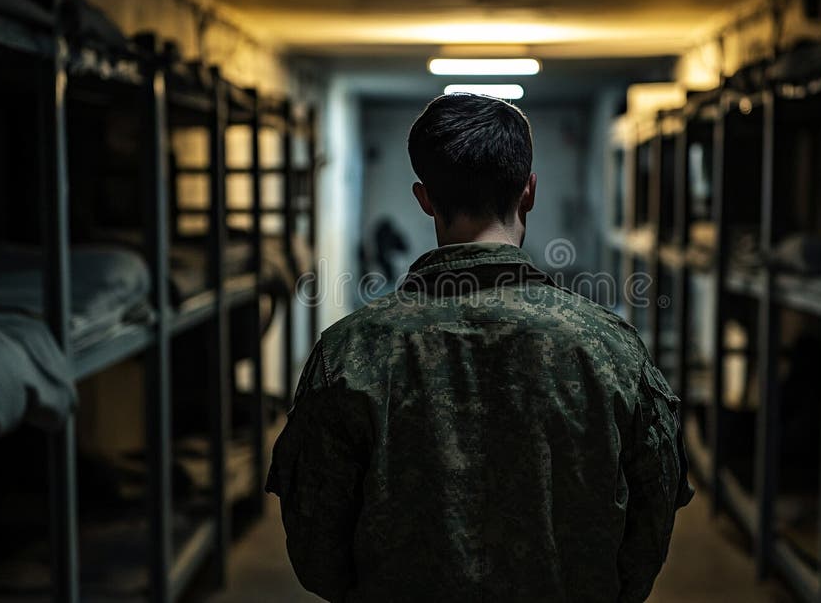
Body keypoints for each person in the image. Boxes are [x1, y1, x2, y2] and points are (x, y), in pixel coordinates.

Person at [267, 93, 692, 602]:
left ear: (424, 198)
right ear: (529, 191)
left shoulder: (349, 352)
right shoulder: (611, 349)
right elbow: (649, 531)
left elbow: (317, 550)